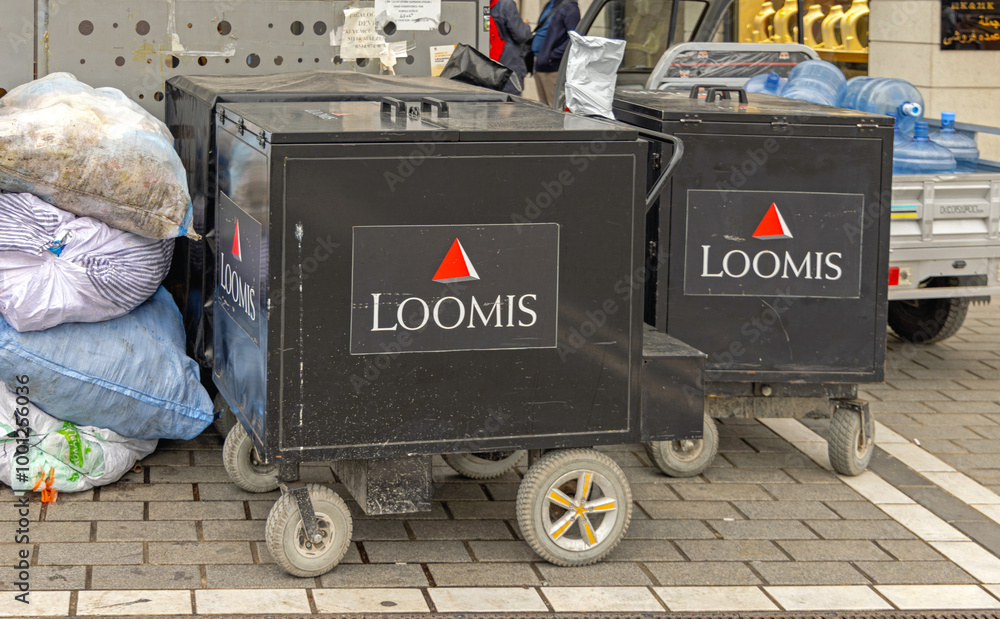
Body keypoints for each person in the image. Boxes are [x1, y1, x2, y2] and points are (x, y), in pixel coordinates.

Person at [532, 0, 580, 106]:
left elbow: (574, 38)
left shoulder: (571, 8)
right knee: (543, 107)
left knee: (554, 106)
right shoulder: (550, 4)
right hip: (539, 63)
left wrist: (552, 56)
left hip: (552, 66)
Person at [490, 0, 533, 94]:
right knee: (511, 100)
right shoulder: (506, 4)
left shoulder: (484, 4)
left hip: (490, 66)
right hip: (508, 64)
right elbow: (521, 35)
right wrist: (526, 25)